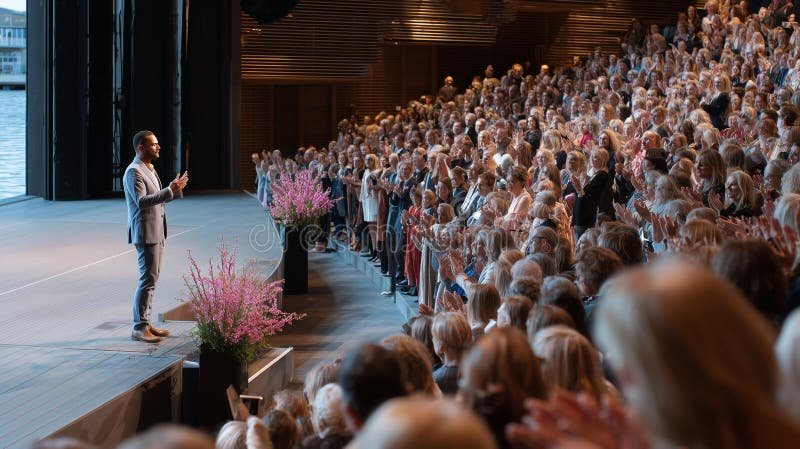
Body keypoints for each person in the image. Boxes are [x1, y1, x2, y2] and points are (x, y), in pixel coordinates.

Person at [123, 130, 188, 343]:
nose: (158, 147)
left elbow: (157, 200)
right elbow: (141, 201)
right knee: (147, 280)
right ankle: (139, 326)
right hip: (146, 233)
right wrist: (169, 190)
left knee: (152, 279)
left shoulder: (149, 168)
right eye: (154, 144)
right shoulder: (134, 171)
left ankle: (145, 321)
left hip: (157, 231)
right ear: (141, 147)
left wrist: (174, 190)